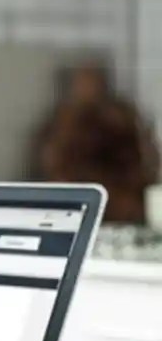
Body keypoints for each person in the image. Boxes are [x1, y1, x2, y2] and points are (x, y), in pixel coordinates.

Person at [32, 62, 160, 224]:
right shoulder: (65, 121)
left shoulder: (121, 116)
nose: (85, 89)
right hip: (80, 199)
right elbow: (54, 163)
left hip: (122, 196)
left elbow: (144, 157)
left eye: (90, 83)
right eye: (81, 84)